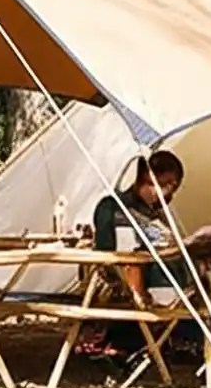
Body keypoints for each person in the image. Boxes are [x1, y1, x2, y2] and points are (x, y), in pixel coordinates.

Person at [77, 150, 190, 361]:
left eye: (173, 187)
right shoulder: (115, 208)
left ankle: (178, 335)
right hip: (135, 286)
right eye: (166, 184)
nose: (168, 192)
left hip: (166, 286)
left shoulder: (155, 214)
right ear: (147, 176)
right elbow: (117, 256)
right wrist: (137, 290)